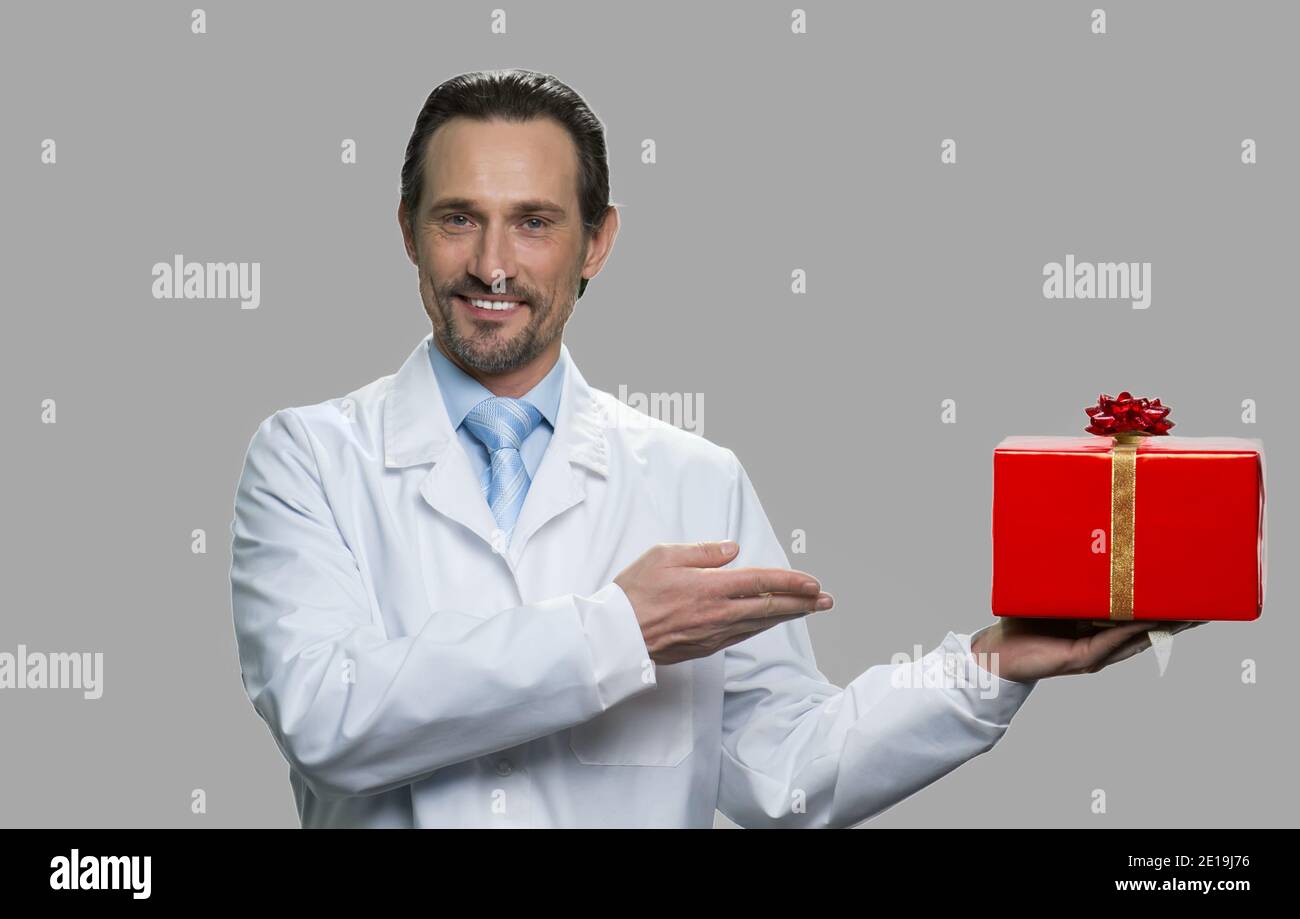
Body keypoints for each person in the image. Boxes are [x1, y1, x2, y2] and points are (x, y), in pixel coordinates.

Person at [229, 69, 1198, 828]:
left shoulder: (693, 480)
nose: (492, 263)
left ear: (597, 242)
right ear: (407, 231)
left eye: (534, 221)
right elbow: (327, 717)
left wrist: (991, 664)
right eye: (457, 219)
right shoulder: (307, 459)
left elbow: (787, 773)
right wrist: (620, 629)